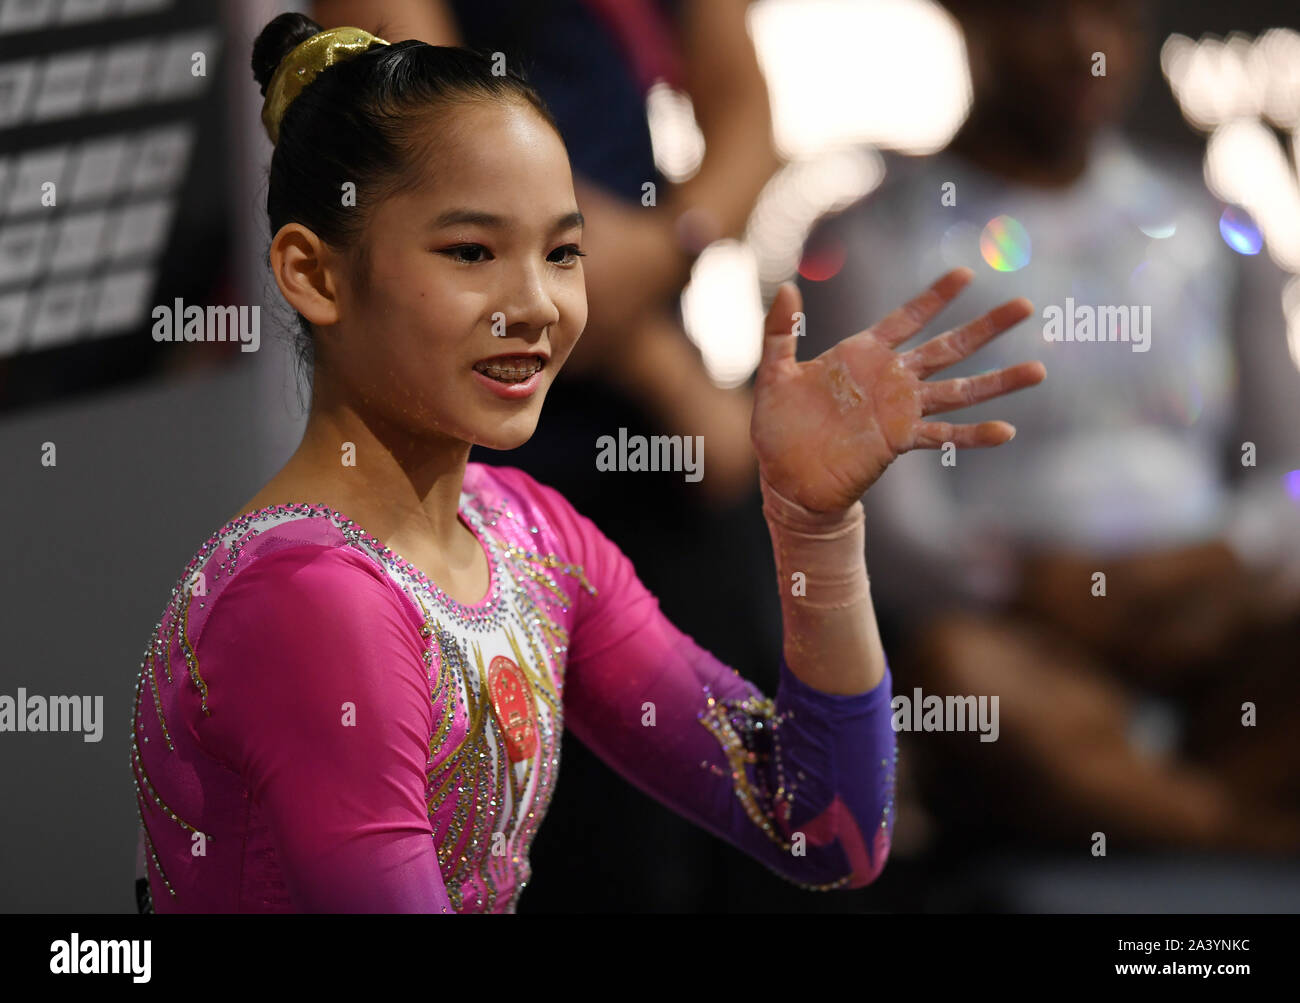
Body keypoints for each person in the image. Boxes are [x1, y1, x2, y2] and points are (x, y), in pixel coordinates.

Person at [129, 14, 1044, 913]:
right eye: (472, 252)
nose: (538, 304)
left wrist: (816, 526)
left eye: (564, 253)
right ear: (314, 274)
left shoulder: (531, 535)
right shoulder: (310, 600)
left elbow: (822, 829)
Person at [311, 0, 791, 912]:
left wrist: (673, 242)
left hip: (649, 446)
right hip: (497, 459)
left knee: (750, 808)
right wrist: (667, 376)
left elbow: (744, 117)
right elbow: (456, 173)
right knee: (572, 836)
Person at [797, 0, 1300, 859]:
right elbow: (884, 516)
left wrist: (1214, 566)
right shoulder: (870, 239)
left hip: (1214, 626)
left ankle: (1152, 809)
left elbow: (1286, 472)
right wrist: (1035, 587)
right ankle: (1241, 831)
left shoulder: (1216, 227)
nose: (1084, 48)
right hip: (1023, 644)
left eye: (1113, 17)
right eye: (1042, 14)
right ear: (967, 18)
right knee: (960, 676)